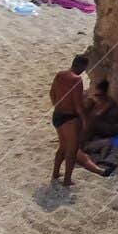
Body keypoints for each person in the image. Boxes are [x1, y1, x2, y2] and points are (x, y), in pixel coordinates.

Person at [49, 55, 106, 184]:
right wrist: (85, 121)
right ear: (81, 66)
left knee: (62, 147)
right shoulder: (76, 80)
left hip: (57, 115)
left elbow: (51, 93)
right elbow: (78, 105)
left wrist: (57, 106)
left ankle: (55, 173)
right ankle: (67, 180)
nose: (84, 71)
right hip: (69, 118)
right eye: (84, 68)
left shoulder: (59, 75)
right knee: (72, 149)